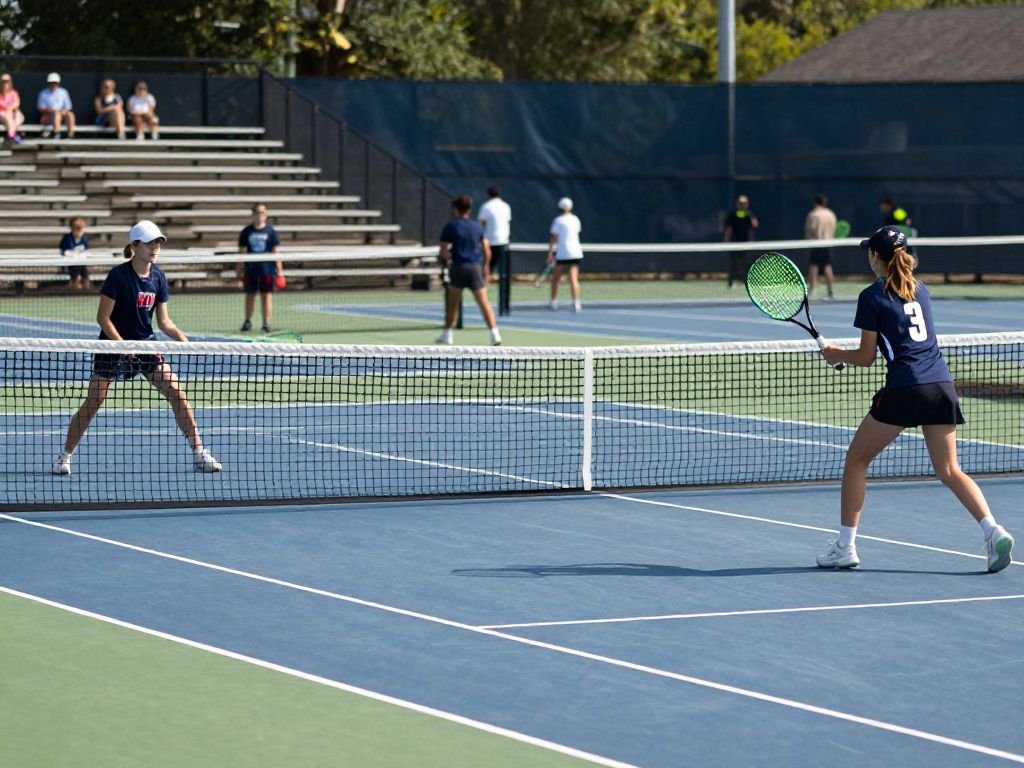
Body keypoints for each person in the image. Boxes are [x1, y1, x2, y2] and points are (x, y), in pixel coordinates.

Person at [817, 227, 1013, 572]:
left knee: (856, 460)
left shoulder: (871, 296)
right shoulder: (921, 290)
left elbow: (865, 357)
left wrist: (835, 355)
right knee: (951, 469)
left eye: (870, 252)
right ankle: (993, 531)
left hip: (905, 389)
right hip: (940, 385)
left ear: (876, 258)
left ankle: (845, 547)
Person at [52, 220, 221, 476]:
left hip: (145, 347)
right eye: (150, 242)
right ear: (134, 245)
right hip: (111, 347)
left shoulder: (158, 277)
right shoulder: (118, 276)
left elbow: (163, 321)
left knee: (177, 392)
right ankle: (64, 455)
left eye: (158, 243)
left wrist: (182, 339)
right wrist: (121, 345)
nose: (155, 247)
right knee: (94, 401)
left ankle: (199, 452)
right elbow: (103, 318)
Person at [436, 195, 502, 346]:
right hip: (475, 269)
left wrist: (451, 257)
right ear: (470, 209)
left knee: (452, 303)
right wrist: (485, 267)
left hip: (458, 268)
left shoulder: (451, 226)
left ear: (455, 209)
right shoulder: (478, 226)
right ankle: (495, 334)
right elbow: (487, 250)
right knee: (484, 302)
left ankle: (447, 335)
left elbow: (443, 251)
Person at [236, 203, 283, 333]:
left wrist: (280, 270)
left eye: (262, 213)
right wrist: (239, 268)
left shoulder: (271, 232)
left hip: (266, 269)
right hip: (250, 269)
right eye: (257, 212)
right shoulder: (247, 231)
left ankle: (266, 322)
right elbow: (241, 251)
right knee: (250, 295)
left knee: (266, 295)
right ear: (252, 214)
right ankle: (247, 321)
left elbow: (276, 251)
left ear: (266, 215)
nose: (260, 215)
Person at [546, 197, 583, 312]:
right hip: (575, 253)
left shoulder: (558, 220)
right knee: (573, 279)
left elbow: (553, 237)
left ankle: (553, 302)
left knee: (556, 278)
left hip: (563, 253)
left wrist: (550, 252)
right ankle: (576, 303)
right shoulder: (576, 219)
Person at [805, 194, 837, 300]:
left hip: (817, 243)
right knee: (827, 265)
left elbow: (811, 229)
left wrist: (808, 239)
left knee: (814, 265)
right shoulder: (831, 214)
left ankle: (811, 291)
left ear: (815, 203)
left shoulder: (813, 214)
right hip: (828, 244)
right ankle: (830, 290)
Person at [723, 195, 758, 289]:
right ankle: (730, 283)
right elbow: (728, 229)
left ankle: (744, 282)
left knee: (745, 264)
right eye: (741, 203)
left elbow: (754, 226)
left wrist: (751, 216)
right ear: (737, 204)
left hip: (745, 244)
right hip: (734, 243)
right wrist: (726, 241)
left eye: (745, 203)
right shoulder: (732, 215)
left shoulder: (749, 215)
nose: (743, 205)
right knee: (733, 263)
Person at [478, 186, 512, 280]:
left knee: (486, 268)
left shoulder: (485, 207)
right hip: (503, 242)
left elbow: (480, 225)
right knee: (503, 271)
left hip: (490, 243)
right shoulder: (506, 206)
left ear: (488, 195)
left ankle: (484, 289)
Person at [37, 72, 76, 139]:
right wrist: (53, 111)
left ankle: (70, 135)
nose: (53, 84)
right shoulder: (43, 93)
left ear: (58, 83)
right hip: (48, 117)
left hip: (62, 116)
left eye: (55, 82)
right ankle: (56, 134)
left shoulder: (64, 92)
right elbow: (41, 109)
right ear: (48, 83)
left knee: (70, 115)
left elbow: (68, 107)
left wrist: (63, 111)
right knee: (56, 114)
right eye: (51, 82)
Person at [59, 216, 91, 291]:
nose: (79, 230)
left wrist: (83, 254)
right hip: (71, 263)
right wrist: (68, 253)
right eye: (77, 228)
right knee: (75, 273)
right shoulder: (67, 238)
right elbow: (62, 250)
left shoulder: (84, 237)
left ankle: (86, 290)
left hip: (82, 262)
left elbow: (87, 249)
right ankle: (74, 288)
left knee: (85, 274)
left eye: (81, 228)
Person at [0, 73, 25, 145]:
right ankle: (13, 135)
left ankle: (11, 135)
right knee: (8, 115)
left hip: (12, 114)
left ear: (10, 82)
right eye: (3, 81)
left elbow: (17, 104)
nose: (5, 83)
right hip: (2, 115)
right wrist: (7, 110)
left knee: (19, 115)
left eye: (7, 81)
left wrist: (10, 109)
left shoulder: (14, 93)